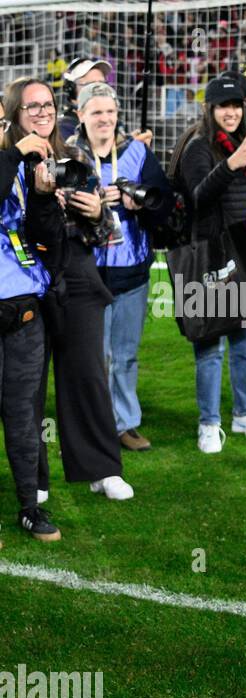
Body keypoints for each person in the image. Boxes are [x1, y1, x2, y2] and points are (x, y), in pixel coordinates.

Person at [12, 79, 135, 507]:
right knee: (27, 387)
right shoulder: (8, 162)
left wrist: (100, 213)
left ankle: (102, 469)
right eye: (33, 107)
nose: (44, 112)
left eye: (48, 104)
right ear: (15, 113)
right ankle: (35, 476)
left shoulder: (75, 156)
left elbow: (109, 235)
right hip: (26, 284)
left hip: (78, 278)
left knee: (87, 376)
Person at [172, 71, 246, 453]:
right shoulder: (199, 146)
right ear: (211, 108)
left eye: (237, 105)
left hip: (242, 254)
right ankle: (208, 423)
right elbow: (198, 196)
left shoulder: (245, 142)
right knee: (209, 347)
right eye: (224, 105)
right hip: (207, 256)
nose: (231, 112)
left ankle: (244, 415)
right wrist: (231, 163)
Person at [75, 82, 171, 454]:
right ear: (81, 115)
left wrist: (139, 204)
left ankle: (125, 422)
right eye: (97, 112)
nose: (105, 119)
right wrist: (91, 202)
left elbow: (166, 204)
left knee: (125, 353)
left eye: (111, 112)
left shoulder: (137, 151)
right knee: (94, 356)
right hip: (86, 271)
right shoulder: (69, 154)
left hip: (131, 270)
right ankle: (92, 423)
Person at [0, 85, 65, 542]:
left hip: (24, 306)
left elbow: (46, 241)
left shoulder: (28, 163)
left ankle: (30, 505)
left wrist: (43, 198)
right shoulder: (12, 157)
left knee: (25, 416)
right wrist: (15, 154)